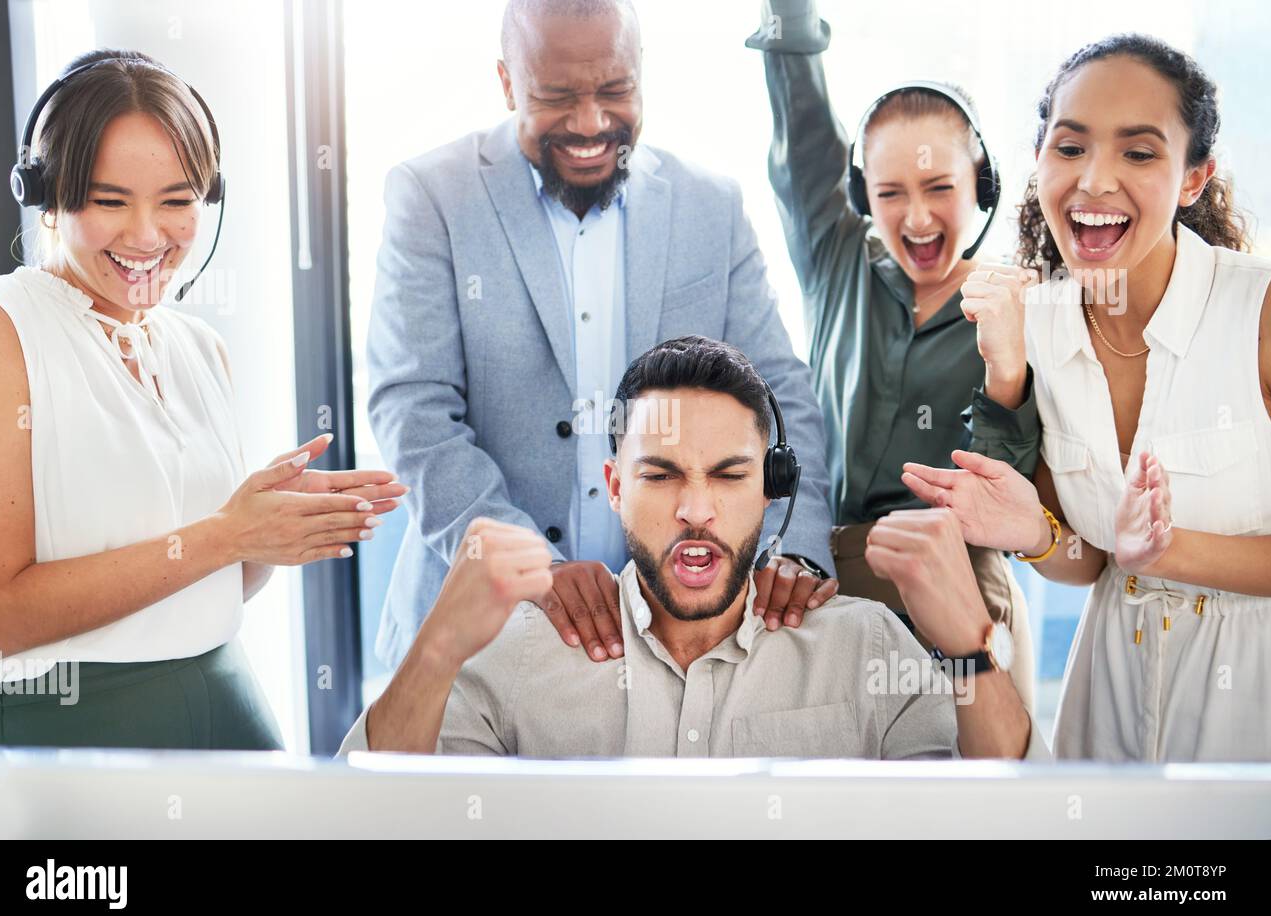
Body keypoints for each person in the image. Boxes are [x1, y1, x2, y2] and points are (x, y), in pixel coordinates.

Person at [367, 0, 839, 672]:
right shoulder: (431, 196)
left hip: (674, 650)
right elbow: (412, 408)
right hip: (477, 645)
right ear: (507, 83)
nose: (590, 123)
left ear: (641, 73)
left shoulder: (713, 206)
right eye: (557, 96)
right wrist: (533, 569)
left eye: (615, 91)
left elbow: (779, 392)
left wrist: (792, 542)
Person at [340, 336, 1047, 761]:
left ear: (771, 487)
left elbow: (1013, 825)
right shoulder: (519, 656)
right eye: (661, 473)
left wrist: (970, 647)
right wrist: (435, 647)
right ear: (615, 486)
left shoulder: (865, 648)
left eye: (731, 474)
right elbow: (364, 826)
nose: (696, 509)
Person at [0, 50, 404, 749]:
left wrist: (268, 529)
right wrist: (224, 533)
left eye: (177, 202)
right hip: (69, 732)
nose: (148, 237)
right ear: (46, 194)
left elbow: (206, 587)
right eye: (110, 201)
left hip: (226, 705)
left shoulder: (199, 347)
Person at [903, 35, 1271, 762]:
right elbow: (1084, 564)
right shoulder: (1031, 325)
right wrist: (1037, 532)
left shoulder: (1260, 313)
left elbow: (1139, 554)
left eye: (1139, 153)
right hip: (1109, 694)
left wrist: (1167, 552)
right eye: (1069, 148)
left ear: (1193, 179)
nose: (1094, 180)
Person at [745, 0, 1038, 707]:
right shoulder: (836, 255)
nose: (916, 215)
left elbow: (1008, 484)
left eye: (941, 187)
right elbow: (801, 108)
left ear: (982, 189)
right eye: (889, 192)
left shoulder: (1015, 305)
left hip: (958, 592)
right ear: (860, 196)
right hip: (824, 585)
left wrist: (1007, 368)